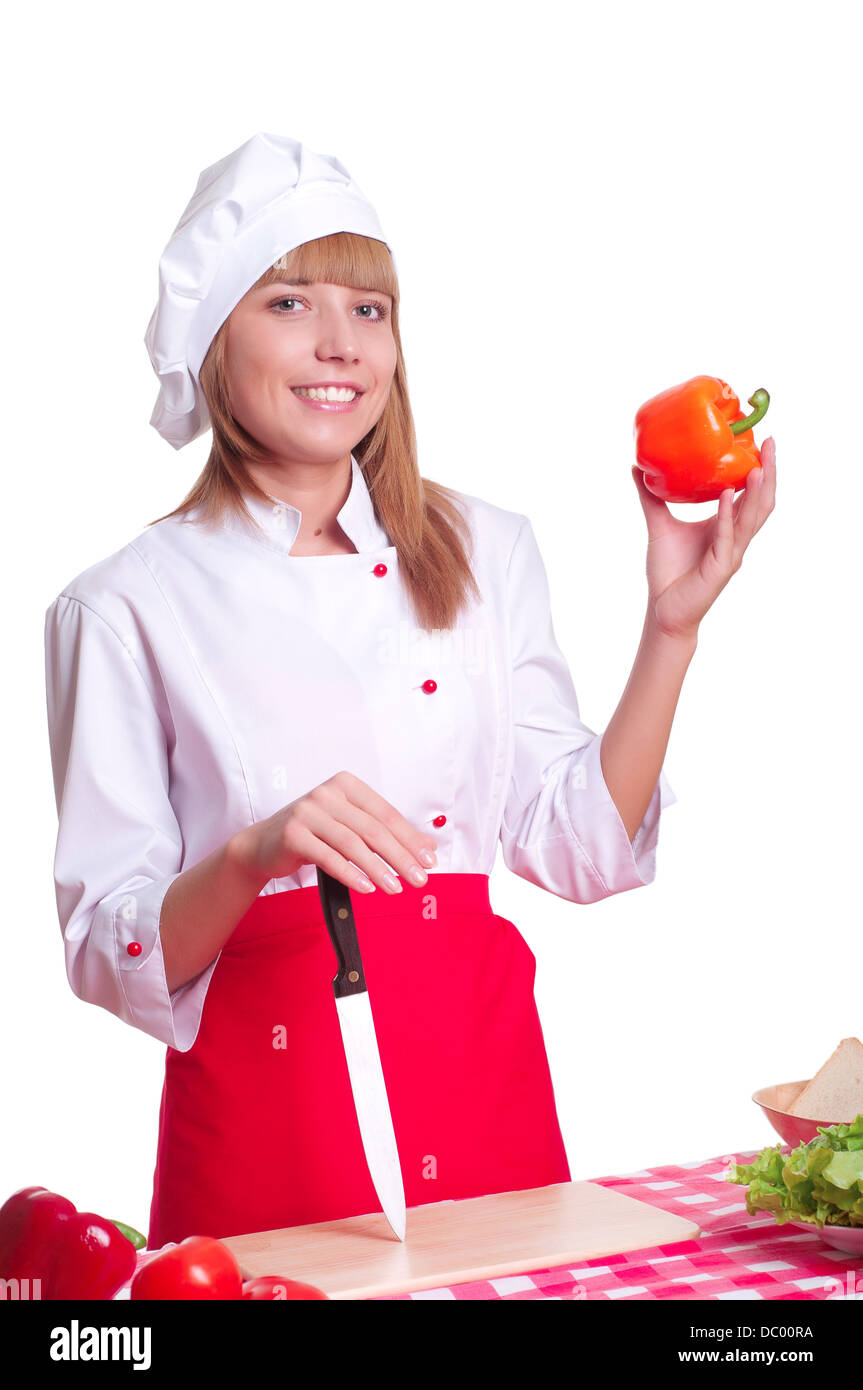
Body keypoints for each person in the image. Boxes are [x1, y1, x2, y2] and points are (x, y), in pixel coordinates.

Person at [43, 133, 776, 1249]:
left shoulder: (483, 547)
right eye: (287, 302)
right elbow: (109, 946)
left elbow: (576, 844)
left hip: (488, 1102)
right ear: (211, 338)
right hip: (269, 1134)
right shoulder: (127, 604)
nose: (339, 345)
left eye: (368, 309)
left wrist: (669, 628)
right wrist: (253, 851)